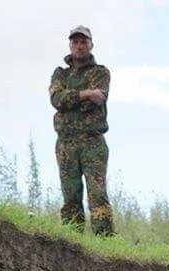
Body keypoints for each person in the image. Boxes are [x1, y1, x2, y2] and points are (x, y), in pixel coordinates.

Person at [49, 25, 114, 236]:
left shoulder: (101, 73)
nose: (79, 46)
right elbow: (57, 99)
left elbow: (96, 99)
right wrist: (86, 94)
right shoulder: (60, 74)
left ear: (91, 45)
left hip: (92, 142)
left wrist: (73, 98)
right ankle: (74, 245)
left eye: (83, 42)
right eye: (75, 42)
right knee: (71, 196)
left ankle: (105, 245)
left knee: (97, 196)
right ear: (70, 45)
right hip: (66, 143)